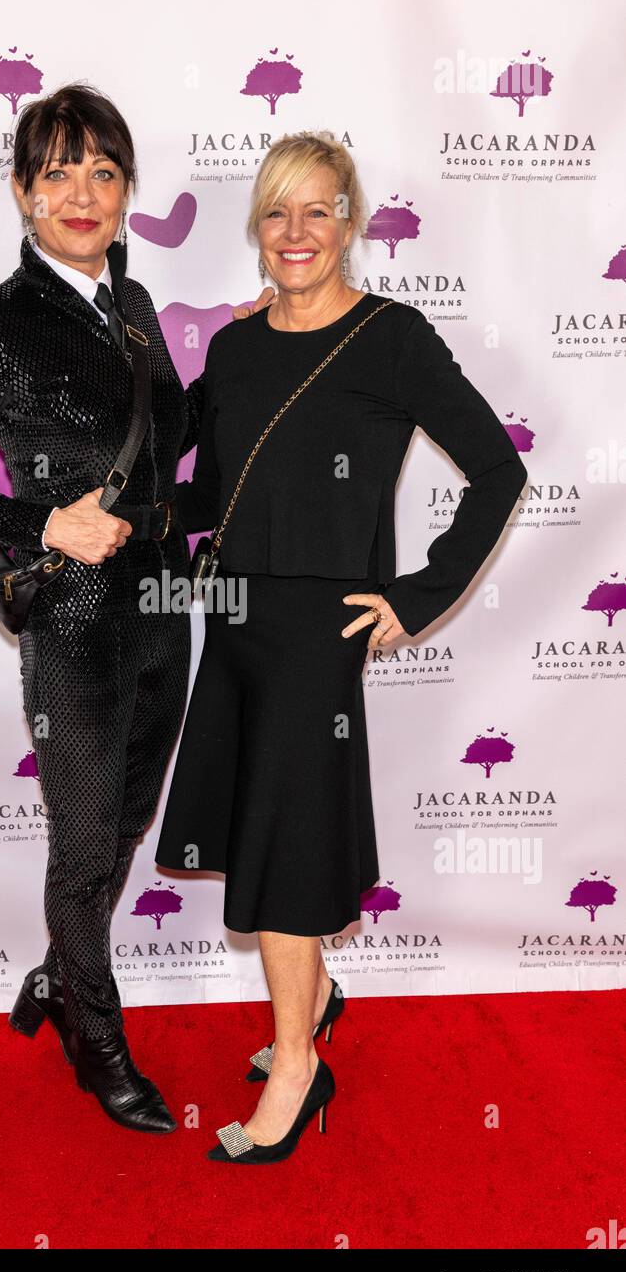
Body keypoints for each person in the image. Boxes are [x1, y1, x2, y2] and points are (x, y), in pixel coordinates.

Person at [155, 129, 528, 1164]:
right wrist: (133, 522)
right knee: (271, 822)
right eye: (278, 211)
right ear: (256, 228)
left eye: (318, 209)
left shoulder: (391, 338)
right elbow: (205, 489)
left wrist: (420, 595)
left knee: (280, 849)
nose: (296, 231)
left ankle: (295, 1064)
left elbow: (496, 469)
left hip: (319, 632)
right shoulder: (229, 349)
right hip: (231, 616)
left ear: (351, 223)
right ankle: (309, 1003)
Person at [0, 83, 211, 1135]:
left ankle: (55, 975)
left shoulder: (131, 309)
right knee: (82, 847)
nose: (82, 192)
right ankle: (96, 1037)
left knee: (126, 821)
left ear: (125, 194)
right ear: (25, 192)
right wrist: (41, 527)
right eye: (58, 170)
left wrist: (257, 344)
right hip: (75, 623)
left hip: (163, 604)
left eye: (103, 171)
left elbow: (170, 437)